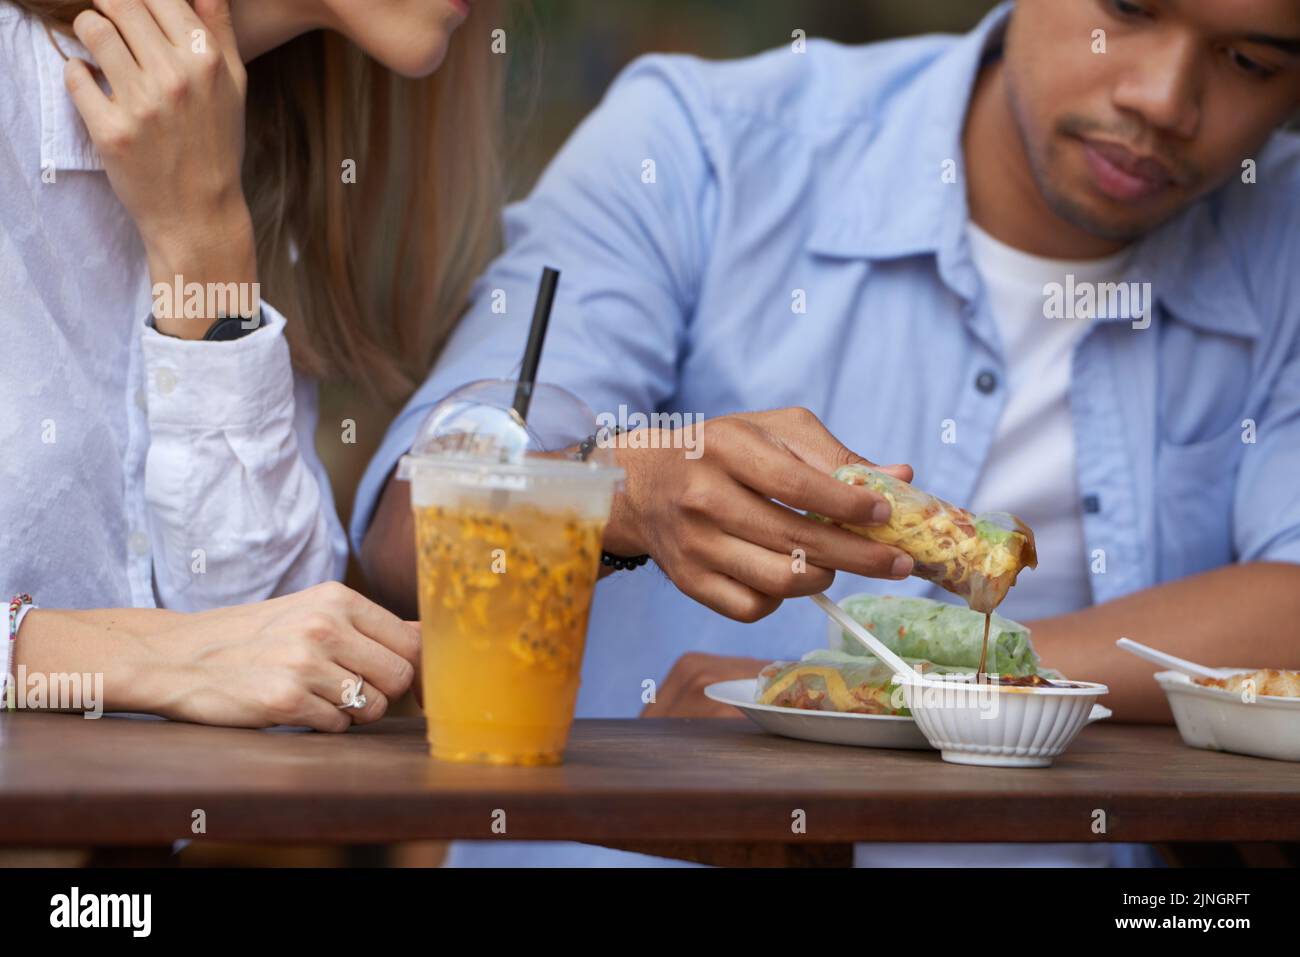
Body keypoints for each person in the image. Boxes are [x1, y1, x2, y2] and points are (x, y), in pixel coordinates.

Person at [356, 0, 1300, 865]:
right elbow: (406, 534)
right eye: (1128, 10)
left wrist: (899, 688)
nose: (1162, 98)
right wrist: (617, 489)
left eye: (1252, 59)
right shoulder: (701, 148)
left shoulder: (1283, 235)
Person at [1, 0, 503, 730]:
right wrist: (146, 660)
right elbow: (220, 658)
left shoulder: (244, 142)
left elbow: (276, 685)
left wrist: (202, 235)